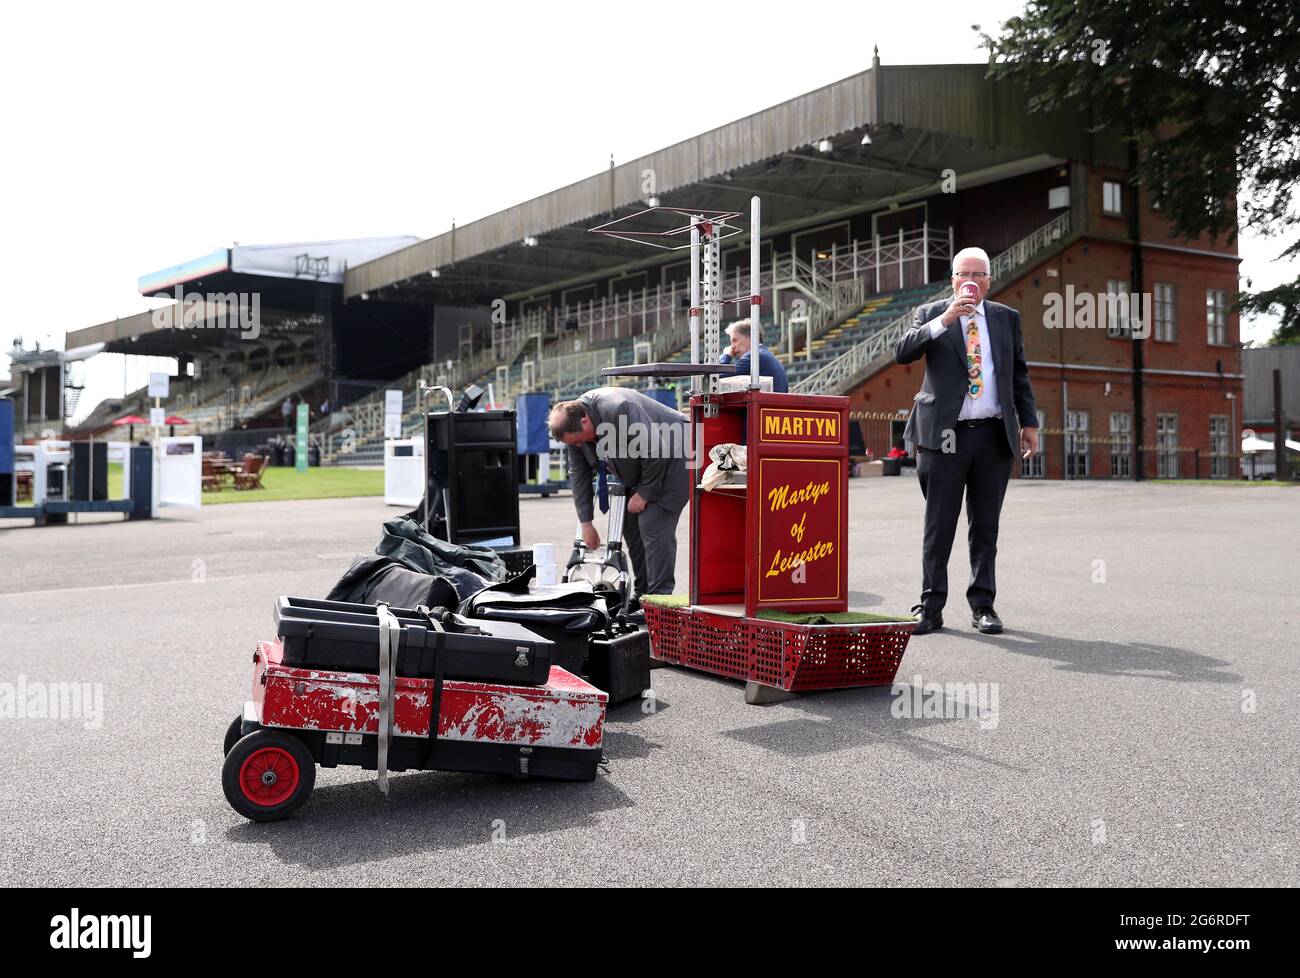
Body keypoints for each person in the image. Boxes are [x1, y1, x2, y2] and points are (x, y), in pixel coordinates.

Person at [893, 247, 1039, 635]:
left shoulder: (1007, 318)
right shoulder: (930, 314)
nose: (970, 281)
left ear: (990, 280)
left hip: (993, 435)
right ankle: (930, 606)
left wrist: (1029, 422)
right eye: (962, 274)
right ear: (952, 280)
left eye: (978, 274)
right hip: (943, 436)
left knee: (985, 525)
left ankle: (983, 605)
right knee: (939, 524)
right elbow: (903, 353)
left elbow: (1019, 374)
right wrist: (944, 320)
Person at [549, 387, 690, 598]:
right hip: (644, 463)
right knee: (630, 526)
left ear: (585, 421)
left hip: (678, 452)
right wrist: (586, 523)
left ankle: (660, 599)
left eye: (578, 440)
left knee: (652, 522)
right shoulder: (573, 424)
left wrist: (644, 494)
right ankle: (643, 596)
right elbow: (579, 474)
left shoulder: (617, 409)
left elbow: (657, 449)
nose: (578, 446)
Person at [720, 319, 788, 392]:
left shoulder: (754, 357)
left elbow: (715, 377)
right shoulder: (765, 355)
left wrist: (726, 356)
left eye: (735, 340)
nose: (732, 346)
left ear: (750, 337)